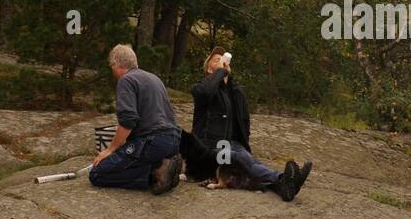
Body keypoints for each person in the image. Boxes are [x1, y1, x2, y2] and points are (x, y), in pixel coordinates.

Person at [190, 47, 311, 201]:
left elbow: (244, 124)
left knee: (250, 163)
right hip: (208, 147)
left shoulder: (236, 93)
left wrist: (245, 147)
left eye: (223, 58)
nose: (221, 61)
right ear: (209, 69)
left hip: (232, 144)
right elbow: (206, 92)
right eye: (216, 60)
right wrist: (220, 72)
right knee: (241, 160)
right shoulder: (200, 89)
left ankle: (285, 186)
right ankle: (285, 179)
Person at [89, 44, 184, 194]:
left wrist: (110, 149)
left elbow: (128, 121)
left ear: (116, 64)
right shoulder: (154, 78)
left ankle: (157, 172)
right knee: (131, 159)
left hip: (152, 142)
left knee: (97, 173)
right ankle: (164, 165)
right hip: (174, 141)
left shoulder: (126, 80)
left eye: (111, 66)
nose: (112, 70)